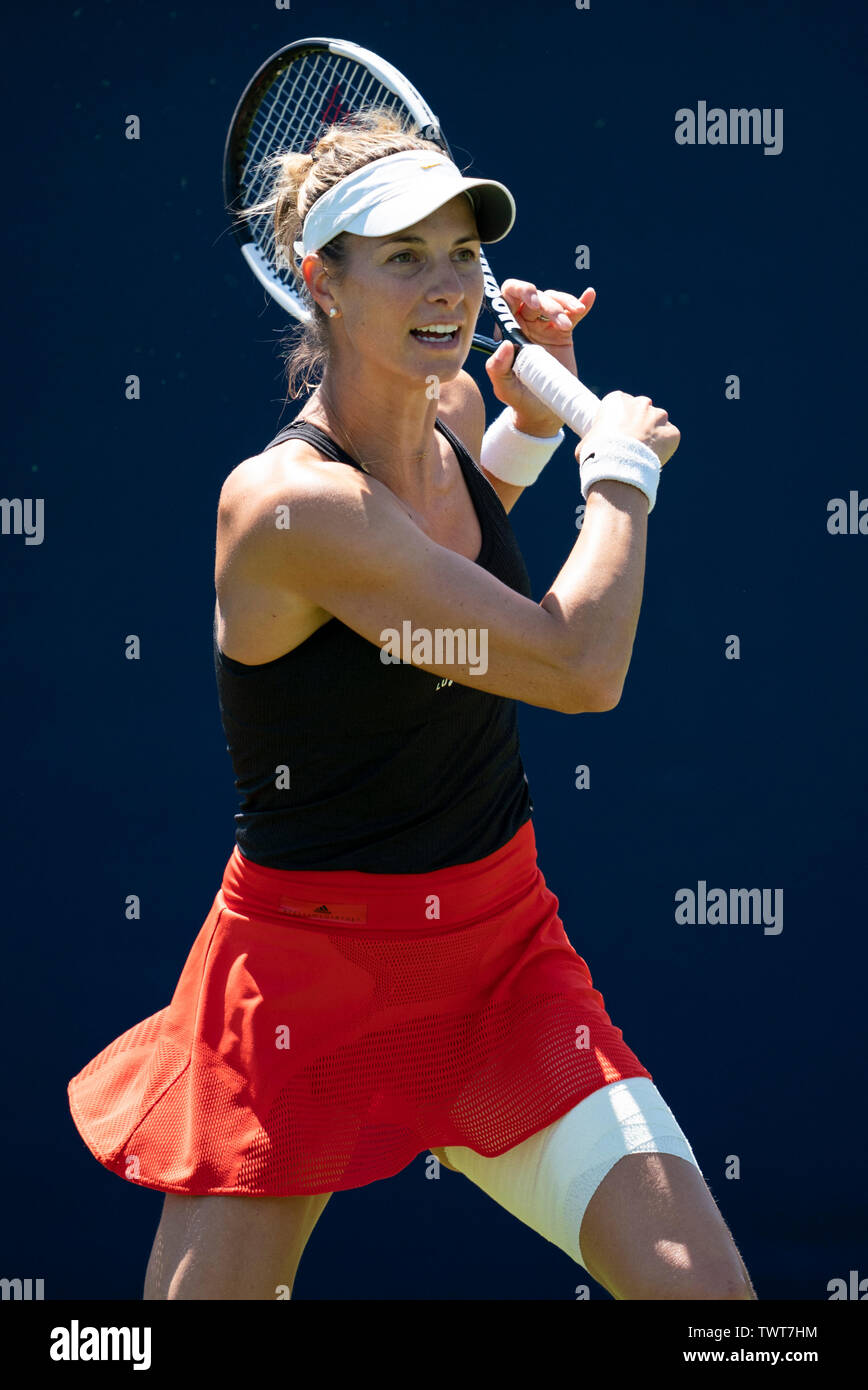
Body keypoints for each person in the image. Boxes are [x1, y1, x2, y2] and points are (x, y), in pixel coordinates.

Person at [68, 108, 756, 1301]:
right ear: (317, 282)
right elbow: (575, 667)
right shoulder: (288, 507)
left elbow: (432, 570)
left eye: (461, 254)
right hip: (304, 986)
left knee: (714, 1309)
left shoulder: (443, 416)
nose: (446, 287)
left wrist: (533, 432)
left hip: (500, 961)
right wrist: (621, 475)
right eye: (403, 258)